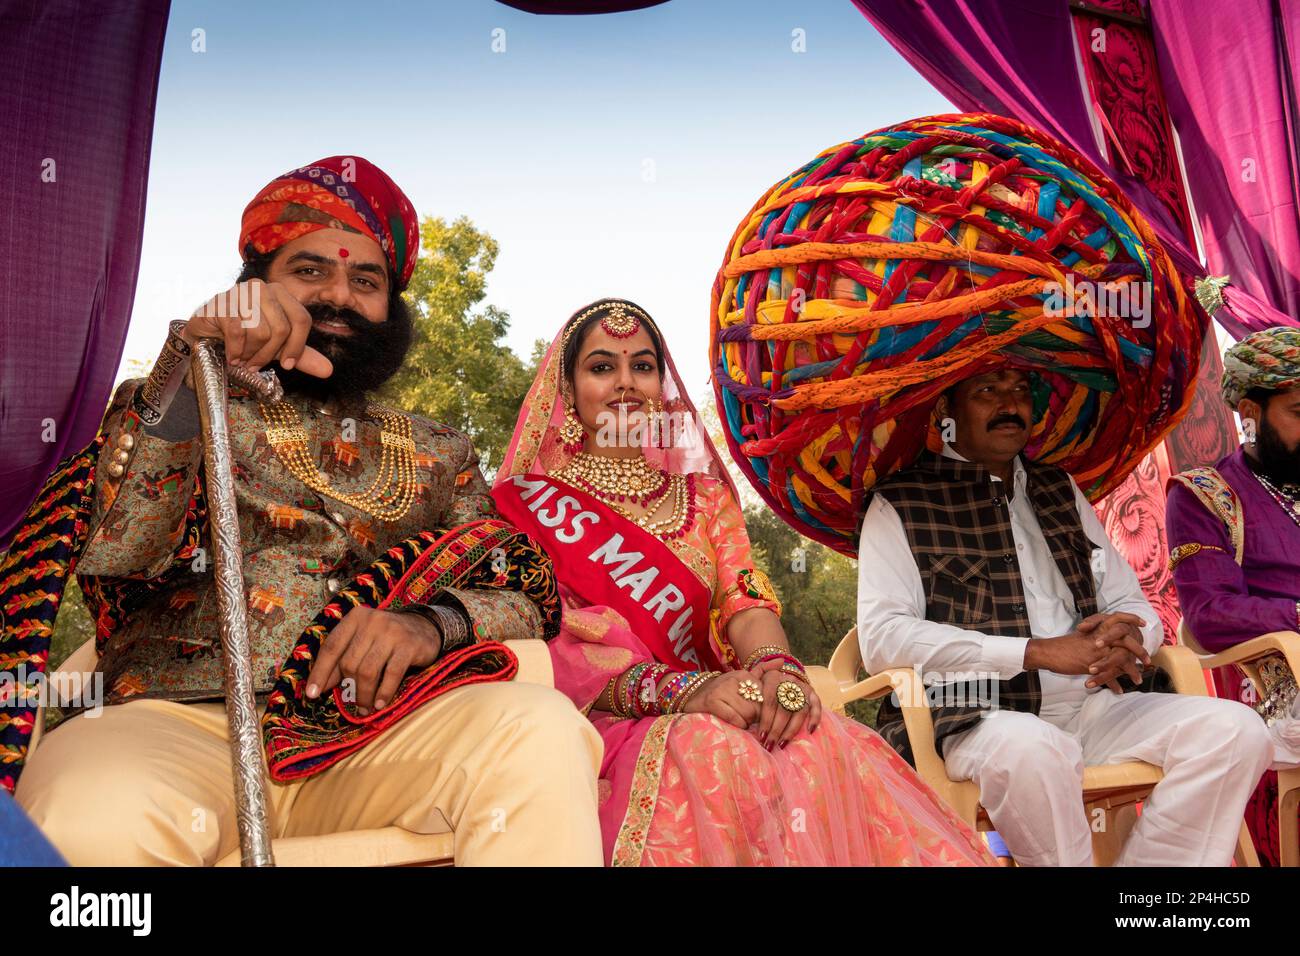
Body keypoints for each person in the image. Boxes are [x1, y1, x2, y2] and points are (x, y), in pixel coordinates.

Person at [5, 156, 603, 866]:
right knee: (91, 813)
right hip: (174, 724)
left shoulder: (440, 450)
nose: (339, 296)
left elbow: (519, 591)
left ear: (392, 308)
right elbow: (119, 549)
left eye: (366, 281)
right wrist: (194, 362)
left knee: (539, 730)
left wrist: (429, 624)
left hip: (374, 732)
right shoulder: (177, 396)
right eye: (310, 271)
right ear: (255, 287)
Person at [492, 297, 991, 866]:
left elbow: (744, 598)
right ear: (568, 390)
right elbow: (542, 640)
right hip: (603, 716)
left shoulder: (701, 497)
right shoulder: (528, 507)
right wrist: (682, 693)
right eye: (602, 367)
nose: (626, 383)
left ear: (662, 385)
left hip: (722, 696)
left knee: (811, 735)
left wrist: (778, 670)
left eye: (644, 366)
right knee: (711, 751)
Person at [857, 365, 1272, 866]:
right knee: (1033, 750)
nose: (1010, 405)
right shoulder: (900, 501)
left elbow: (1129, 599)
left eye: (1019, 390)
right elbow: (882, 637)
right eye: (987, 390)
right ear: (945, 408)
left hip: (1094, 704)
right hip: (979, 714)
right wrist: (1035, 653)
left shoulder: (1057, 488)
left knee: (1237, 731)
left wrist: (1128, 632)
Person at [1166, 326, 1300, 865]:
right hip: (1276, 687)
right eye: (1298, 410)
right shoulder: (1204, 495)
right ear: (1250, 409)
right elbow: (1210, 614)